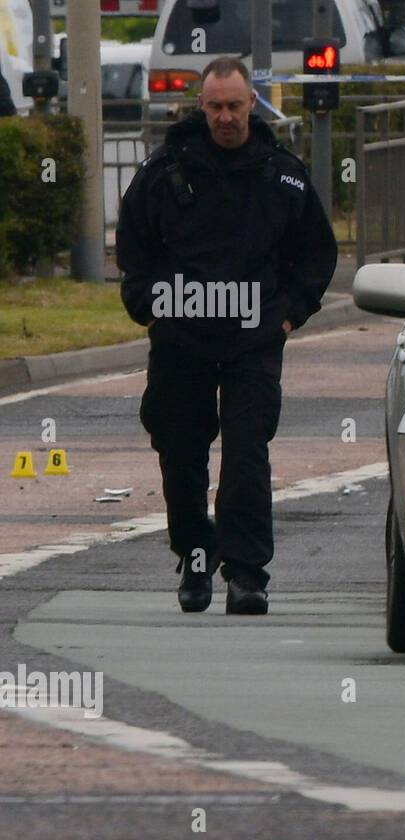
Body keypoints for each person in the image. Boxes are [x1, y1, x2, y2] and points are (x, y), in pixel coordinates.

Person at [116, 56, 337, 614]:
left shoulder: (281, 173)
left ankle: (246, 574)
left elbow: (315, 254)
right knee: (181, 452)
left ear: (251, 104)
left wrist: (287, 315)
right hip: (181, 340)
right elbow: (133, 249)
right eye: (214, 107)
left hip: (251, 340)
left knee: (245, 454)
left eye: (234, 106)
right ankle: (194, 561)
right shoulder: (165, 170)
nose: (225, 118)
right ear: (201, 106)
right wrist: (150, 309)